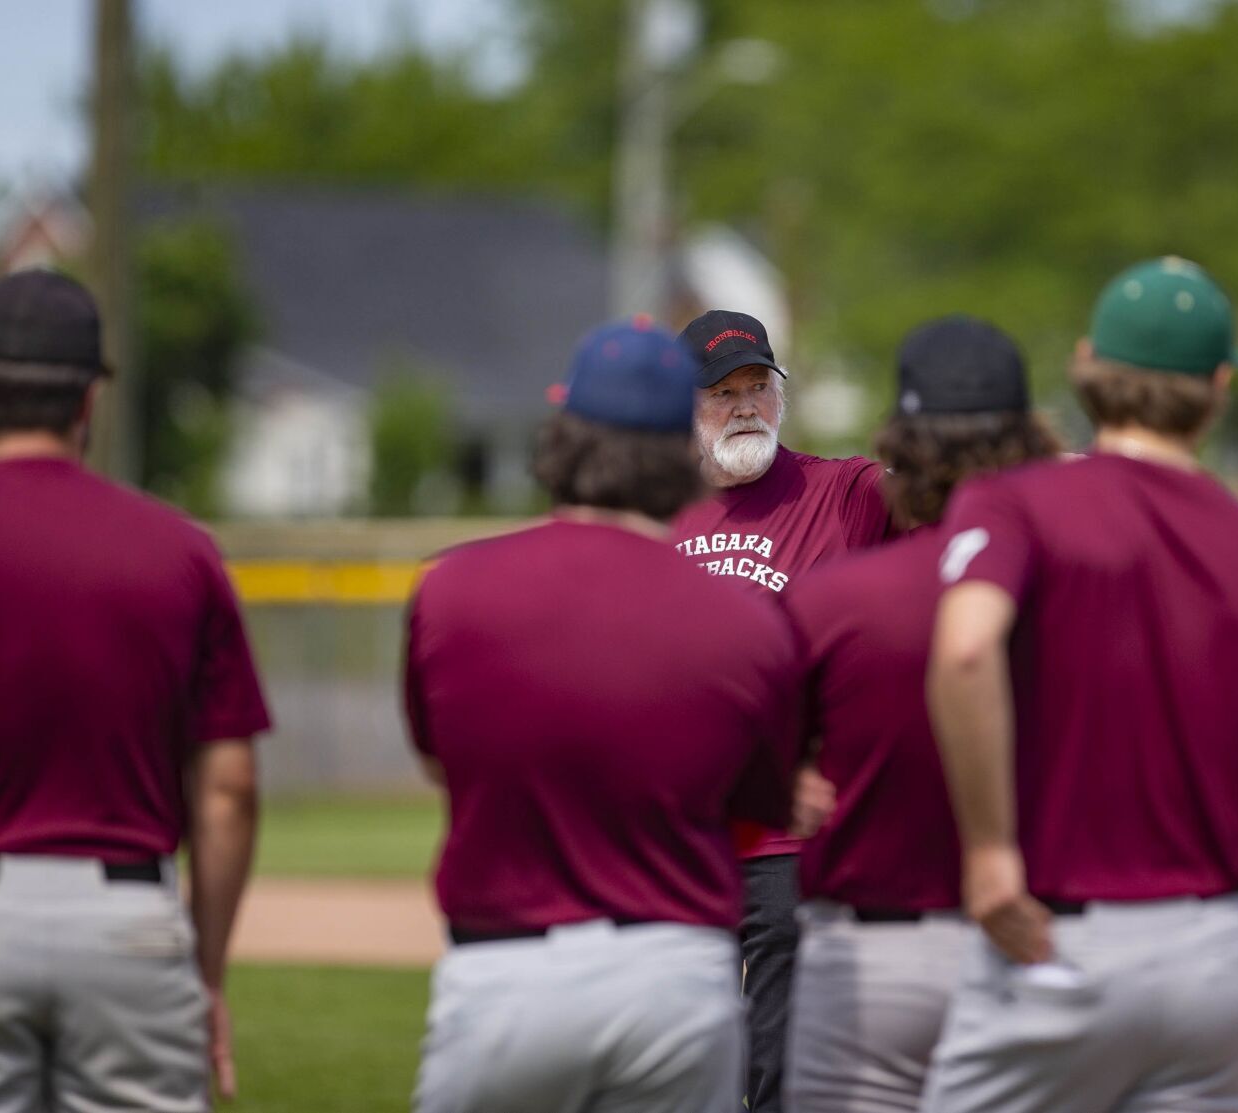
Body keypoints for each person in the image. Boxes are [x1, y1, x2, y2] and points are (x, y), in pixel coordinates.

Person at [924, 257, 1238, 1113]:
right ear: (1218, 385)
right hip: (1210, 954)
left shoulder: (1013, 503)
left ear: (1086, 365)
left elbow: (964, 650)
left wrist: (990, 849)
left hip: (1053, 938)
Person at [0, 268, 270, 1112]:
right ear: (89, 402)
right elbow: (229, 790)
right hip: (131, 923)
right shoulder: (182, 553)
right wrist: (205, 975)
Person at [406, 320, 805, 1113]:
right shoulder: (740, 618)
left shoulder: (448, 587)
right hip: (674, 976)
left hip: (502, 972)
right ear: (675, 444)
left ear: (563, 433)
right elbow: (760, 807)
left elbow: (440, 760)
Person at [781, 315, 1060, 1113]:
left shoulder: (828, 599)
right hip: (1041, 942)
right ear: (1030, 437)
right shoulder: (1075, 592)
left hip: (870, 961)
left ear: (898, 446)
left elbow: (754, 780)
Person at [671, 309, 897, 1113]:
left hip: (785, 840)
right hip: (675, 840)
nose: (743, 406)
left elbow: (944, 485)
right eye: (720, 391)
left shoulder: (844, 493)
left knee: (774, 1071)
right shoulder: (651, 511)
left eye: (758, 386)